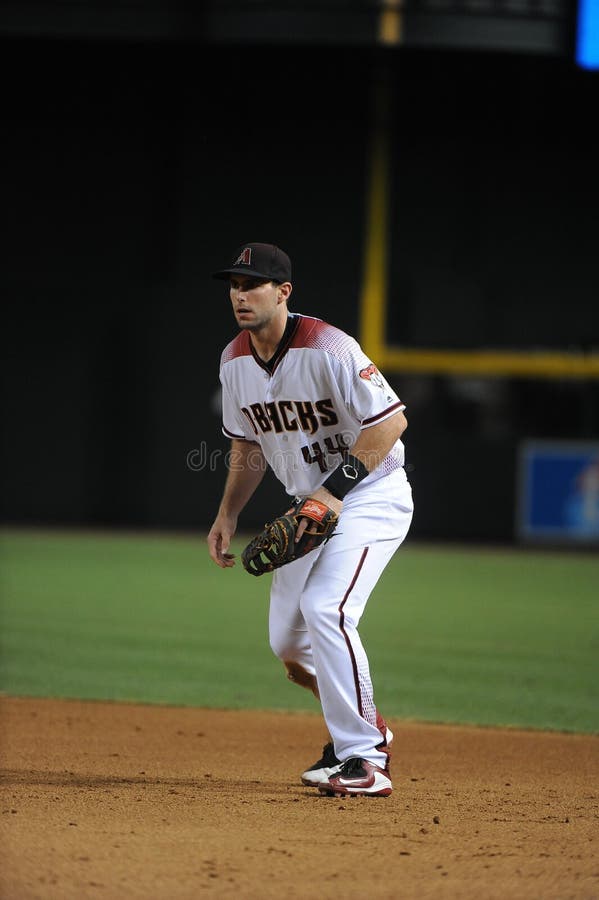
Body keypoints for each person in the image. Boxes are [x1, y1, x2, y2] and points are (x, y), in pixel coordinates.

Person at [207, 242, 413, 797]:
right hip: (309, 510)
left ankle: (366, 757)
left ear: (283, 292)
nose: (239, 295)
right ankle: (360, 724)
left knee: (328, 608)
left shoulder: (329, 346)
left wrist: (333, 492)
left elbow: (391, 424)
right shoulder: (234, 363)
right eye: (233, 285)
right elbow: (248, 444)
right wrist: (227, 513)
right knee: (290, 648)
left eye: (251, 284)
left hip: (370, 495)